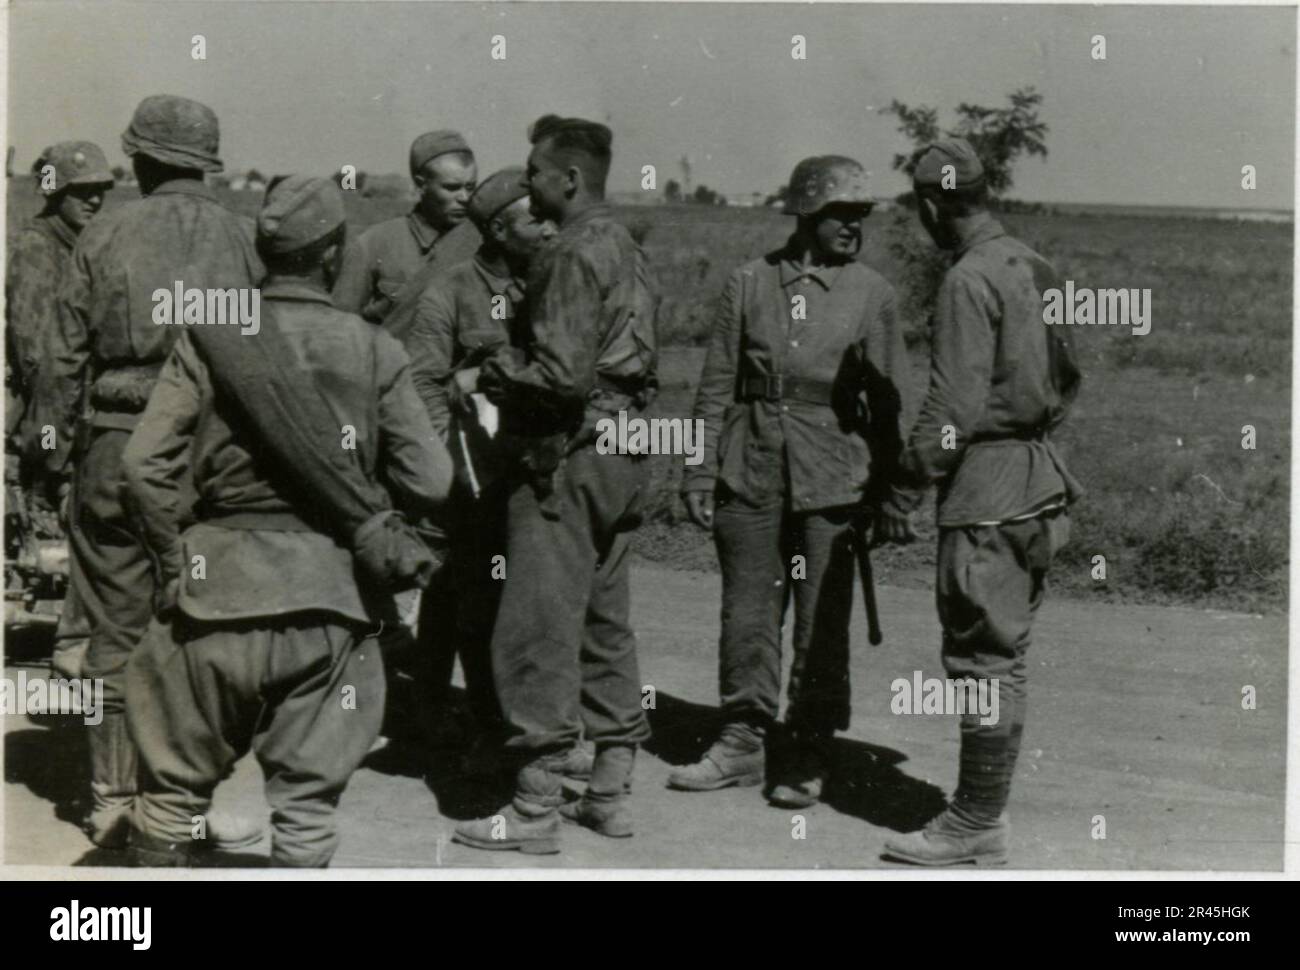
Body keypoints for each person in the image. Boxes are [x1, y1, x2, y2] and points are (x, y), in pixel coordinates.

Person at [120, 175, 454, 867]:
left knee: (169, 802)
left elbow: (143, 465)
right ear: (334, 255)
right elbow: (433, 480)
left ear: (260, 252)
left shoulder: (213, 336)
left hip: (213, 592)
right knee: (306, 811)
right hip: (329, 602)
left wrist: (173, 562)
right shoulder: (372, 348)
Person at [35, 95, 262, 849]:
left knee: (112, 629)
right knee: (208, 628)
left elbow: (62, 356)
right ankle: (189, 795)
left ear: (143, 160)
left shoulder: (102, 233)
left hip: (116, 440)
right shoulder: (244, 237)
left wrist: (53, 450)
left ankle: (111, 800)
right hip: (213, 452)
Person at [670, 155, 915, 807]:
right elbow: (716, 383)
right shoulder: (749, 282)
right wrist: (698, 468)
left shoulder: (872, 294)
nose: (853, 226)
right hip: (748, 466)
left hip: (834, 477)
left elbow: (891, 406)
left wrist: (893, 494)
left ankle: (808, 748)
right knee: (748, 610)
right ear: (807, 213)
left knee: (820, 621)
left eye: (861, 215)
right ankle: (742, 741)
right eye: (841, 213)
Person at [453, 115, 658, 853]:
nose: (528, 183)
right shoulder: (628, 245)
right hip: (626, 448)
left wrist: (491, 369)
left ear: (568, 179)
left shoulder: (568, 252)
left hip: (566, 456)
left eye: (536, 172)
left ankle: (534, 811)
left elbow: (559, 377)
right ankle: (609, 793)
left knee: (535, 623)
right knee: (606, 621)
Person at [881, 139, 1082, 867]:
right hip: (1038, 479)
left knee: (980, 659)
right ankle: (981, 811)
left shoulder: (966, 278)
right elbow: (1069, 373)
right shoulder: (1034, 262)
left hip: (988, 489)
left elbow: (952, 407)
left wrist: (909, 482)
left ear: (933, 203)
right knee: (1006, 655)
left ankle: (974, 821)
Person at [404, 167, 555, 777]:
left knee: (546, 607)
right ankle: (486, 728)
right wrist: (452, 464)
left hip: (541, 477)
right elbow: (422, 382)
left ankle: (547, 734)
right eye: (531, 218)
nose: (547, 227)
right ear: (496, 230)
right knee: (475, 606)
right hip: (474, 483)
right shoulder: (451, 291)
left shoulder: (557, 283)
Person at [5, 141, 114, 679]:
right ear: (54, 192)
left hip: (83, 399)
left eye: (99, 191)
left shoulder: (91, 245)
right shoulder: (36, 246)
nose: (93, 200)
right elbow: (35, 350)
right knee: (61, 512)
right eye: (80, 192)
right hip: (53, 405)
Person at [332, 129, 480, 338]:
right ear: (421, 184)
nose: (464, 197)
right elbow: (341, 328)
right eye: (451, 187)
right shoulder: (373, 244)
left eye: (471, 187)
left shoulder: (482, 245)